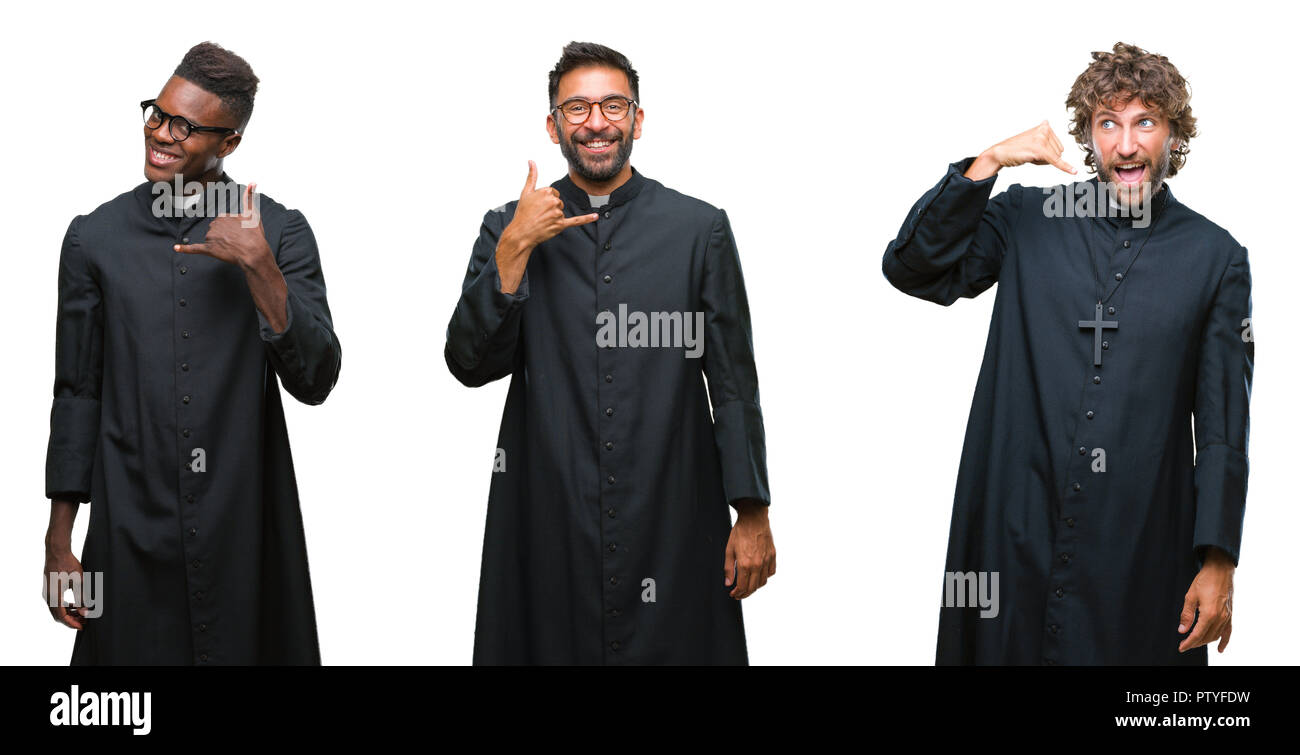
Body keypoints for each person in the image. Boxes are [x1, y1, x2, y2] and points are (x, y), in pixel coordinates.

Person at [882, 42, 1252, 665]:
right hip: (1012, 535)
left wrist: (1219, 560)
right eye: (1108, 124)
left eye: (1145, 123)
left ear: (1173, 134)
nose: (1126, 146)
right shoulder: (1030, 216)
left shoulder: (1216, 259)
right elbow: (914, 269)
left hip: (1137, 549)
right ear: (1087, 133)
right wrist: (990, 160)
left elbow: (1222, 427)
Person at [445, 41, 775, 664]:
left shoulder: (698, 229)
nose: (596, 122)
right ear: (553, 127)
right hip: (546, 512)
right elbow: (468, 364)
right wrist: (514, 250)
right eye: (576, 108)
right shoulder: (506, 227)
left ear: (638, 120)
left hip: (673, 509)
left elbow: (733, 382)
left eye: (612, 105)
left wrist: (752, 512)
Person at [42, 41, 342, 664]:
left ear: (228, 142)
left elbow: (316, 379)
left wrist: (262, 270)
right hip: (128, 525)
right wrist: (60, 540)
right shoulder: (93, 238)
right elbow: (76, 392)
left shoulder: (279, 231)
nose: (161, 134)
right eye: (157, 114)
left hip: (245, 523)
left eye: (185, 126)